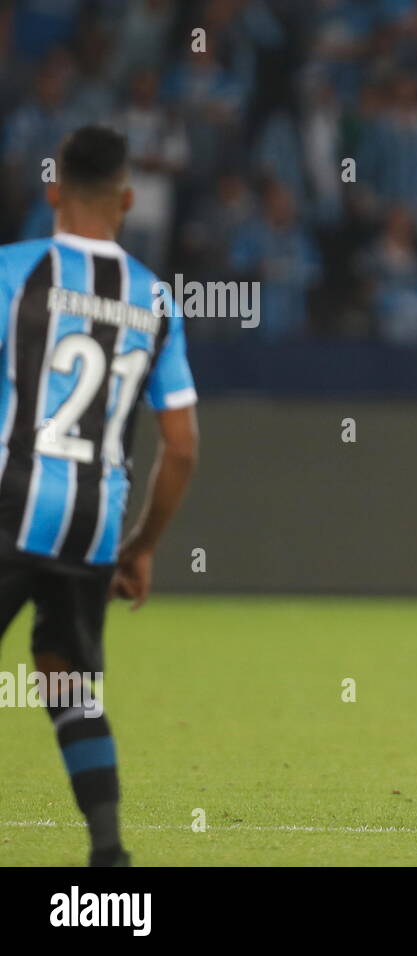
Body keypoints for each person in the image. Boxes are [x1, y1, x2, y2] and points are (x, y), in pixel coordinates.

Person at [0, 125, 199, 866]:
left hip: (10, 498)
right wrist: (141, 545)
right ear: (127, 198)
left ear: (53, 190)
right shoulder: (153, 299)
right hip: (92, 520)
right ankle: (109, 858)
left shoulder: (13, 274)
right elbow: (181, 446)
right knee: (69, 684)